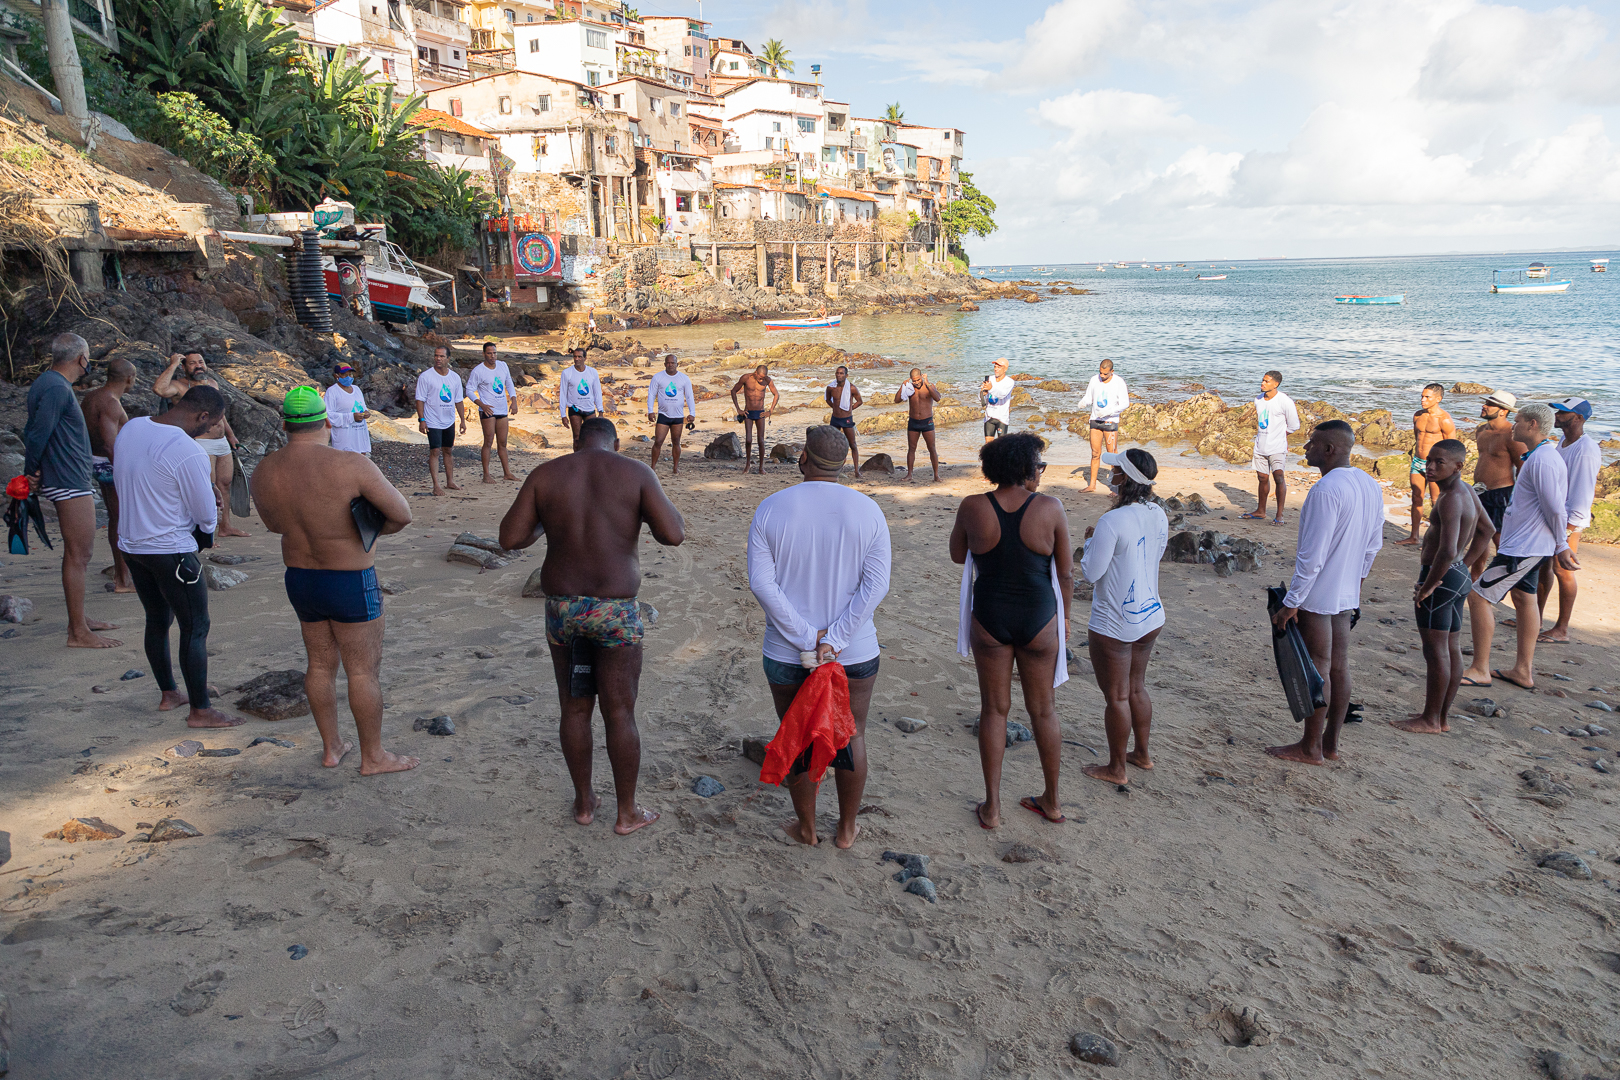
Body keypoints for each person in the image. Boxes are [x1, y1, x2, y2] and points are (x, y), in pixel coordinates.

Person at [498, 417, 685, 835]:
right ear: (615, 443)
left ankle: (584, 804)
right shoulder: (636, 473)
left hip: (563, 609)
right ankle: (626, 813)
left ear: (576, 441)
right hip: (615, 610)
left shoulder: (546, 475)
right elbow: (673, 534)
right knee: (619, 712)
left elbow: (510, 538)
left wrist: (550, 517)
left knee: (574, 707)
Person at [253, 387, 419, 774]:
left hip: (300, 578)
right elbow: (402, 514)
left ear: (284, 425)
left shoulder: (265, 469)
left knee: (320, 666)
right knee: (362, 670)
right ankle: (373, 756)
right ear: (326, 421)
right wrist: (364, 534)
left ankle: (332, 748)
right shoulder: (350, 465)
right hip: (349, 579)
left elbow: (274, 524)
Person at [749, 426, 891, 847]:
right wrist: (836, 638)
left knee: (795, 734)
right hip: (854, 650)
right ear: (845, 464)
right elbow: (876, 585)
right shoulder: (868, 511)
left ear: (803, 459)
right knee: (853, 734)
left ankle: (807, 828)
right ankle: (846, 829)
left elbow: (763, 584)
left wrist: (809, 638)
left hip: (788, 651)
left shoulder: (772, 508)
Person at [950, 433, 1072, 827]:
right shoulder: (1050, 508)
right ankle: (1052, 802)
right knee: (1044, 710)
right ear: (1023, 468)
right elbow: (1066, 573)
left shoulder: (972, 506)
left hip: (989, 616)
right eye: (1038, 464)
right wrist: (1064, 621)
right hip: (1039, 618)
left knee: (994, 710)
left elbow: (957, 554)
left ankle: (992, 807)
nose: (1040, 471)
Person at [113, 384, 242, 727]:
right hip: (169, 548)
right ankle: (200, 710)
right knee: (195, 626)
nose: (212, 429)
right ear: (202, 416)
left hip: (131, 543)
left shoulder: (134, 426)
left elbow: (140, 476)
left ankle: (169, 692)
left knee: (157, 619)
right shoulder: (188, 450)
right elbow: (204, 512)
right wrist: (207, 530)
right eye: (212, 423)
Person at [1267, 420, 1385, 765]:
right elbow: (1373, 545)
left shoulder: (1325, 490)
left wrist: (1291, 603)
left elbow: (1311, 557)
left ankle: (1310, 747)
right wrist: (1356, 586)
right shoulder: (1368, 483)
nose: (1305, 448)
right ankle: (1330, 744)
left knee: (1317, 667)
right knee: (1339, 666)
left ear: (1329, 449)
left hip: (1319, 593)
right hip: (1346, 589)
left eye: (1312, 443)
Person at [1469, 403, 1578, 691]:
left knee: (1479, 596)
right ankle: (1522, 670)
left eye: (1517, 422)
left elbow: (1555, 508)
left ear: (1532, 425)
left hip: (1524, 548)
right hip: (1527, 544)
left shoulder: (1542, 459)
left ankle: (1480, 668)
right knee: (1524, 598)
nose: (1513, 426)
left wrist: (1561, 545)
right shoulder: (1541, 456)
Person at [23, 333, 121, 648]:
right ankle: (77, 632)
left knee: (79, 553)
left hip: (68, 476)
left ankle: (80, 619)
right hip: (68, 479)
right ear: (81, 358)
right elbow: (38, 433)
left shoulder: (48, 384)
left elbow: (36, 429)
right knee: (80, 553)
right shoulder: (54, 387)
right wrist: (31, 473)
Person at [1391, 440, 1495, 734]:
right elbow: (1486, 530)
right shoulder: (1467, 492)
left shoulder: (1450, 499)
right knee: (1450, 647)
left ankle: (1430, 719)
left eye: (1439, 462)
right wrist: (1463, 565)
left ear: (1458, 466)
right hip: (1457, 576)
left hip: (1442, 578)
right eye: (1429, 461)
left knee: (1435, 651)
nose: (1431, 468)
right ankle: (1441, 717)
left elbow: (1447, 549)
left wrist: (1430, 583)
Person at [1079, 448, 1168, 784]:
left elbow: (1092, 572)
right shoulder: (1158, 512)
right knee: (1136, 688)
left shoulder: (1111, 521)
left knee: (1116, 696)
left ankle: (1116, 768)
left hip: (1115, 621)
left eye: (1115, 471)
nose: (1110, 475)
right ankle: (1142, 753)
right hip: (1150, 615)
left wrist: (1089, 542)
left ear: (1126, 479)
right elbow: (1155, 553)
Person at [1460, 391, 1525, 686]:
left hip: (1501, 494)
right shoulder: (1481, 431)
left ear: (1503, 411)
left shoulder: (1512, 436)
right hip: (1480, 491)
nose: (1483, 406)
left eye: (1489, 404)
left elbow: (1523, 471)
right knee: (1477, 543)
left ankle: (1498, 590)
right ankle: (1473, 589)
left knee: (1501, 544)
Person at [155, 351, 248, 537]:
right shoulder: (179, 387)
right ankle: (207, 533)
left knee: (225, 484)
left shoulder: (212, 384)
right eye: (192, 363)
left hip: (221, 442)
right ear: (184, 367)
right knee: (207, 486)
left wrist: (231, 435)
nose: (198, 366)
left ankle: (225, 526)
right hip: (200, 441)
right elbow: (159, 389)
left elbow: (219, 414)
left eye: (201, 362)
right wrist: (173, 364)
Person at [1533, 398, 1599, 644]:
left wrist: (1569, 528)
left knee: (1563, 569)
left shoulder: (1586, 449)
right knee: (1544, 566)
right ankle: (1535, 617)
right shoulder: (1563, 441)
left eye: (1564, 413)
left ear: (1579, 418)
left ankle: (1561, 628)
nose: (1557, 416)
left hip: (1570, 520)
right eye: (1558, 412)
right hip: (1556, 515)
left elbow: (1583, 492)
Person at [81, 357, 137, 593]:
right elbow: (110, 445)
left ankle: (121, 569)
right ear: (129, 379)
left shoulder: (92, 396)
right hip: (109, 465)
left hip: (95, 461)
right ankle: (123, 579)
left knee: (116, 517)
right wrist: (127, 474)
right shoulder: (111, 403)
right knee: (121, 518)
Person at [1397, 383, 1456, 545]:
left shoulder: (1444, 420)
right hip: (1417, 461)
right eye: (1422, 396)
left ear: (1438, 399)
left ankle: (1438, 540)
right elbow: (1418, 438)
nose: (1423, 400)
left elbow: (1452, 446)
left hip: (1435, 465)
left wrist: (1446, 468)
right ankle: (1414, 536)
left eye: (1427, 397)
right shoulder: (1418, 416)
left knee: (1437, 501)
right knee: (1416, 498)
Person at [1242, 370, 1299, 525]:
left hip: (1278, 446)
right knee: (1262, 478)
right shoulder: (1258, 399)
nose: (1263, 383)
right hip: (1260, 445)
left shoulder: (1285, 401)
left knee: (1279, 477)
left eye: (1267, 381)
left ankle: (1279, 515)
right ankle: (1261, 511)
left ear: (1276, 384)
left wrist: (1281, 436)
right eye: (1263, 380)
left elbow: (1294, 425)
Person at [415, 345, 467, 495]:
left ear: (448, 359)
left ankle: (450, 481)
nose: (438, 359)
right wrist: (421, 419)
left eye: (442, 356)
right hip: (432, 420)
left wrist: (462, 420)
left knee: (448, 450)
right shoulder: (426, 376)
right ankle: (436, 485)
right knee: (435, 451)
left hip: (449, 420)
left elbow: (458, 400)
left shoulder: (455, 377)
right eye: (436, 356)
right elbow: (420, 399)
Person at [467, 341, 519, 483]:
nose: (492, 356)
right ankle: (486, 474)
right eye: (489, 353)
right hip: (488, 410)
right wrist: (481, 404)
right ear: (484, 354)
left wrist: (514, 401)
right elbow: (469, 390)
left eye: (494, 353)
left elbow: (509, 383)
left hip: (502, 408)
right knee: (488, 441)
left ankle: (507, 473)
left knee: (502, 443)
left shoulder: (503, 366)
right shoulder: (478, 370)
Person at [1078, 359, 1129, 493]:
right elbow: (1089, 397)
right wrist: (1084, 402)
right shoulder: (1094, 380)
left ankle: (1115, 488)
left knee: (1112, 454)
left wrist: (1110, 411)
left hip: (1110, 421)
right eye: (1100, 372)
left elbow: (1125, 403)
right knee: (1095, 453)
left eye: (1105, 374)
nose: (1102, 376)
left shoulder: (1119, 382)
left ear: (1112, 372)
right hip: (1095, 420)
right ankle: (1092, 485)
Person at [647, 353, 696, 475]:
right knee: (658, 441)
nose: (670, 365)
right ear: (664, 364)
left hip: (678, 416)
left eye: (672, 363)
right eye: (668, 363)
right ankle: (652, 467)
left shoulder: (684, 378)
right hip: (663, 415)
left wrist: (692, 413)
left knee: (676, 442)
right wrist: (650, 411)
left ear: (677, 364)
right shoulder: (658, 377)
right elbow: (651, 394)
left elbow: (689, 397)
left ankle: (675, 468)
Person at [894, 367, 943, 482]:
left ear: (921, 376)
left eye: (918, 380)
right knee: (911, 449)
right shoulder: (909, 388)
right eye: (914, 380)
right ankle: (909, 474)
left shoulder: (929, 386)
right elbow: (896, 400)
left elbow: (938, 398)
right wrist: (902, 386)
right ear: (911, 379)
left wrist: (927, 383)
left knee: (932, 448)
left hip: (927, 422)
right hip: (913, 422)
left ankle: (936, 475)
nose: (916, 383)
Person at [730, 363, 779, 474]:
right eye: (760, 377)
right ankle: (747, 465)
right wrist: (738, 409)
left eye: (763, 378)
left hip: (760, 413)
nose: (761, 380)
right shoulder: (746, 378)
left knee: (761, 441)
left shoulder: (768, 380)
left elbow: (776, 394)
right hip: (748, 412)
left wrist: (770, 411)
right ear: (755, 373)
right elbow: (733, 391)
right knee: (748, 440)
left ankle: (761, 467)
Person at [557, 347, 603, 448]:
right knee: (577, 437)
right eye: (575, 356)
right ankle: (577, 460)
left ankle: (590, 459)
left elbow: (597, 392)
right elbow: (563, 394)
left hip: (590, 409)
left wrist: (600, 410)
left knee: (591, 437)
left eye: (579, 357)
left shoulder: (593, 372)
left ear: (585, 358)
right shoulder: (566, 373)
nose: (577, 359)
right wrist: (563, 415)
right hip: (574, 409)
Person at [323, 363, 372, 456]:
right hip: (344, 439)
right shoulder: (332, 391)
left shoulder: (357, 389)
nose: (348, 377)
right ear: (336, 376)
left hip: (360, 435)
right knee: (345, 463)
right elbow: (328, 415)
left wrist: (366, 413)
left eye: (350, 374)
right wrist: (351, 417)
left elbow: (363, 407)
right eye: (345, 375)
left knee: (361, 463)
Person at [825, 365, 864, 475]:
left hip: (847, 419)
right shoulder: (831, 387)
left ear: (846, 375)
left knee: (853, 444)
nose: (839, 375)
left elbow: (859, 401)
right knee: (833, 444)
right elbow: (827, 399)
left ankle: (856, 470)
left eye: (841, 373)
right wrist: (835, 408)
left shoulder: (852, 388)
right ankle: (834, 468)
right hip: (835, 419)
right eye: (837, 373)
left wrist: (850, 408)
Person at [980, 357, 1015, 443]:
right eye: (995, 366)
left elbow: (1002, 394)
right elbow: (981, 399)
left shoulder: (1009, 382)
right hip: (989, 417)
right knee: (988, 446)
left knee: (1002, 446)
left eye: (999, 367)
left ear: (1005, 369)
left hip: (1002, 418)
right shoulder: (989, 379)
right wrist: (983, 393)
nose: (996, 369)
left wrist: (991, 388)